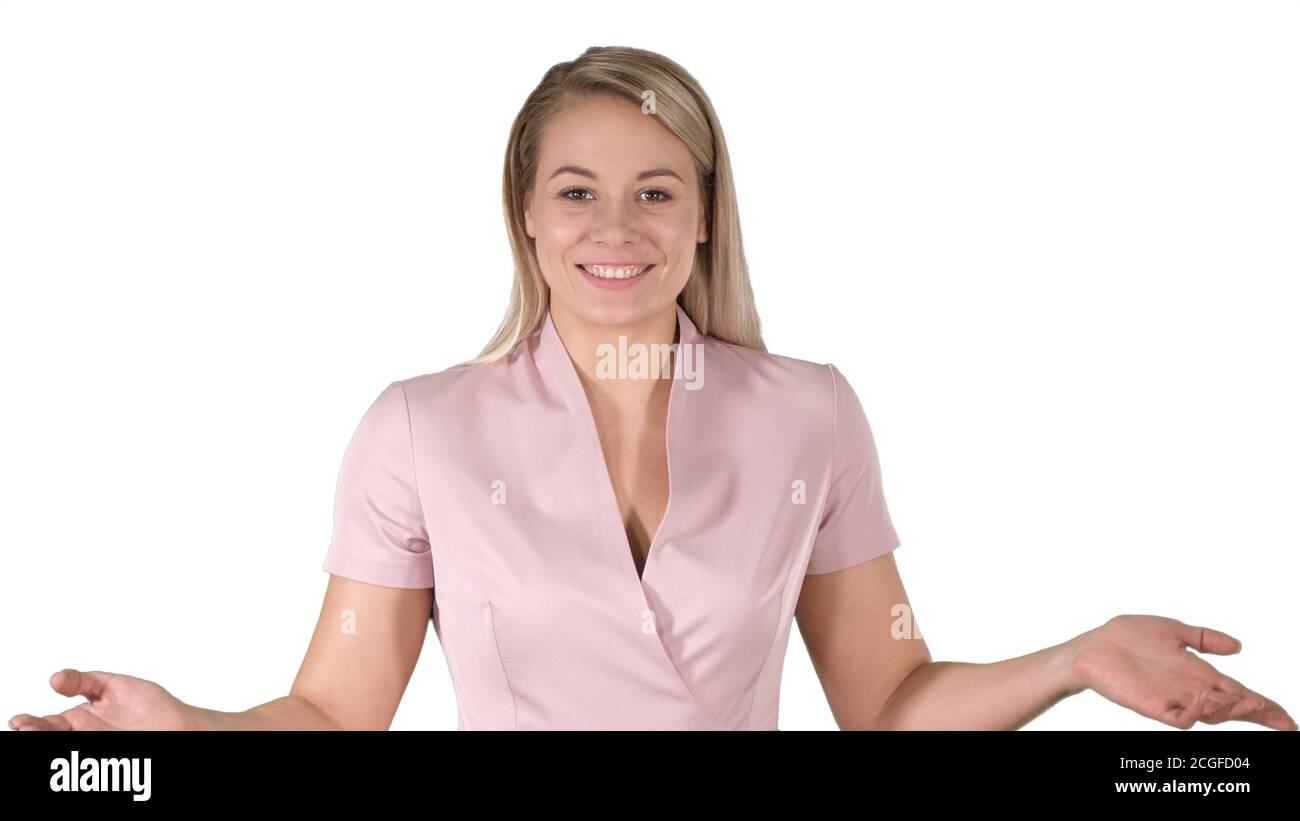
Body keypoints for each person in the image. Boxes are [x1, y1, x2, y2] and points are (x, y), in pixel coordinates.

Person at [9, 46, 1295, 732]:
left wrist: (1068, 658)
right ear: (524, 215)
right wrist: (190, 731)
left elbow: (892, 700)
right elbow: (335, 711)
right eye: (576, 189)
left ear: (702, 215)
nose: (612, 226)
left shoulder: (810, 413)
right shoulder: (419, 428)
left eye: (655, 190)